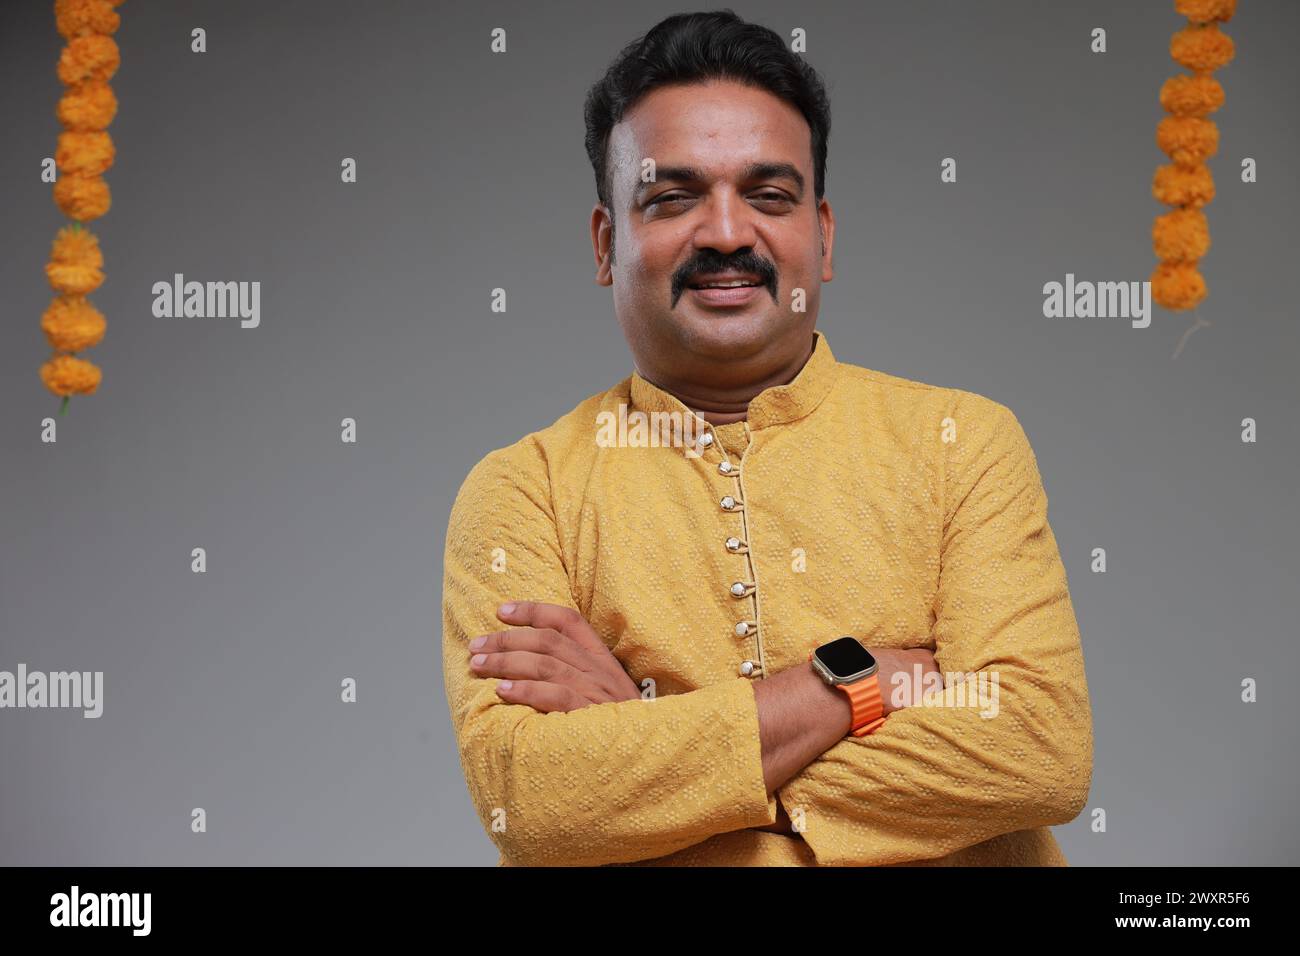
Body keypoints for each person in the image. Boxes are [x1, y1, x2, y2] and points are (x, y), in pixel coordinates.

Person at [441, 10, 1093, 866]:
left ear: (821, 236)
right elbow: (527, 800)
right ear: (607, 243)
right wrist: (848, 690)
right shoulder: (524, 491)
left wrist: (646, 743)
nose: (723, 234)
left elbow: (1038, 747)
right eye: (672, 197)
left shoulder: (958, 443)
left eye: (768, 195)